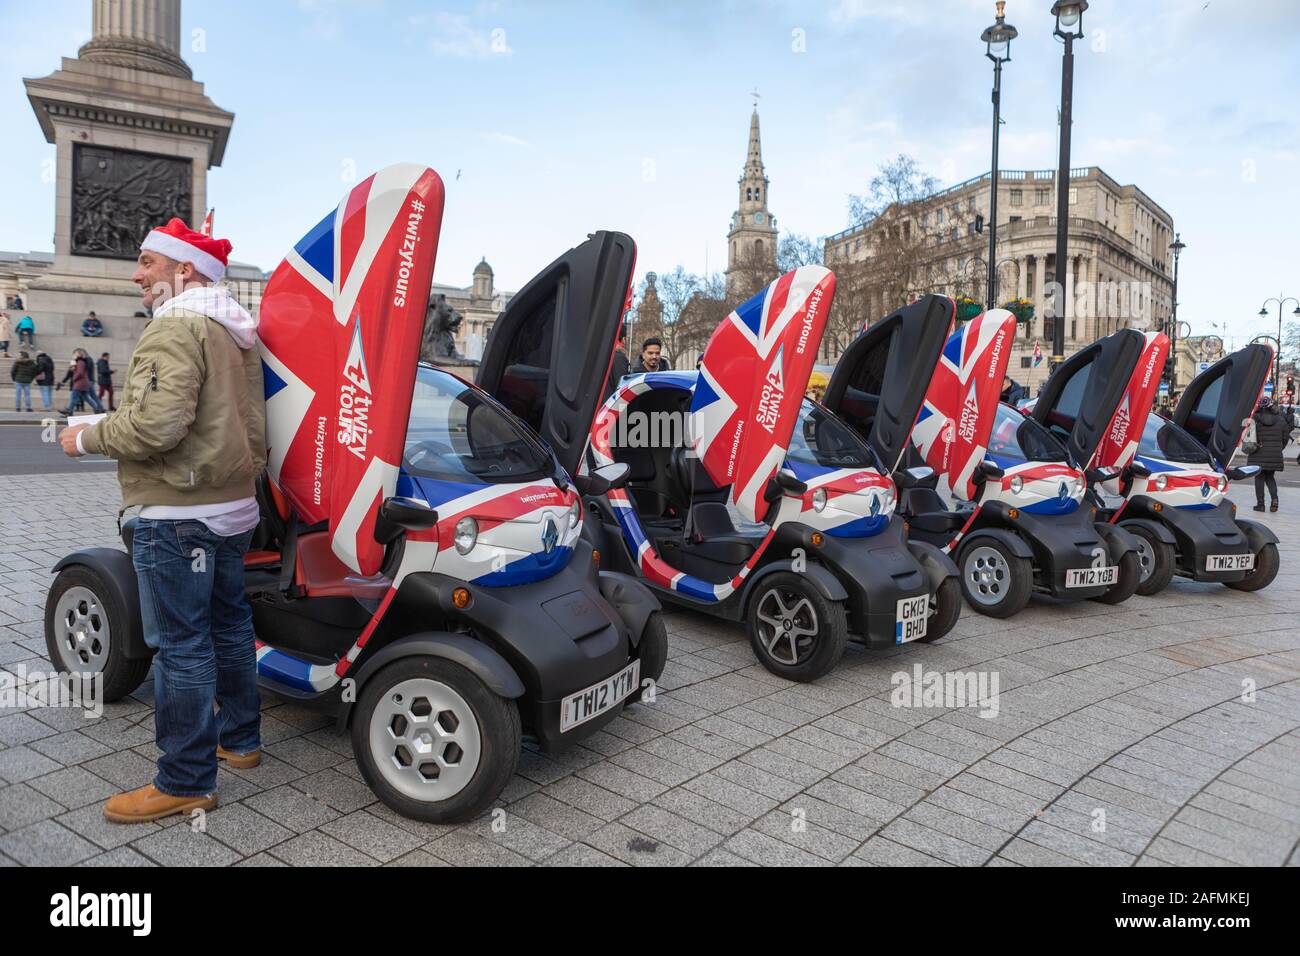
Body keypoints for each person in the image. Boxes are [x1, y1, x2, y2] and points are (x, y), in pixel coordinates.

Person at [61, 218, 265, 824]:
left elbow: (155, 427)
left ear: (184, 270)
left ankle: (184, 779)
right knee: (229, 625)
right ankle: (241, 741)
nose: (137, 274)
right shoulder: (235, 331)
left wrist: (86, 435)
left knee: (181, 645)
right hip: (232, 506)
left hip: (180, 512)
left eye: (148, 262)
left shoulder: (175, 327)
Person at [1247, 398, 1288, 513]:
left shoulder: (1254, 419)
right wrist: (1279, 448)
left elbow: (1248, 437)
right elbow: (1285, 438)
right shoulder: (1281, 419)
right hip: (1274, 454)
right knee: (1270, 477)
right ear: (1271, 406)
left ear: (1259, 406)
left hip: (1257, 453)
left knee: (1259, 478)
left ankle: (1261, 505)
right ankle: (1275, 500)